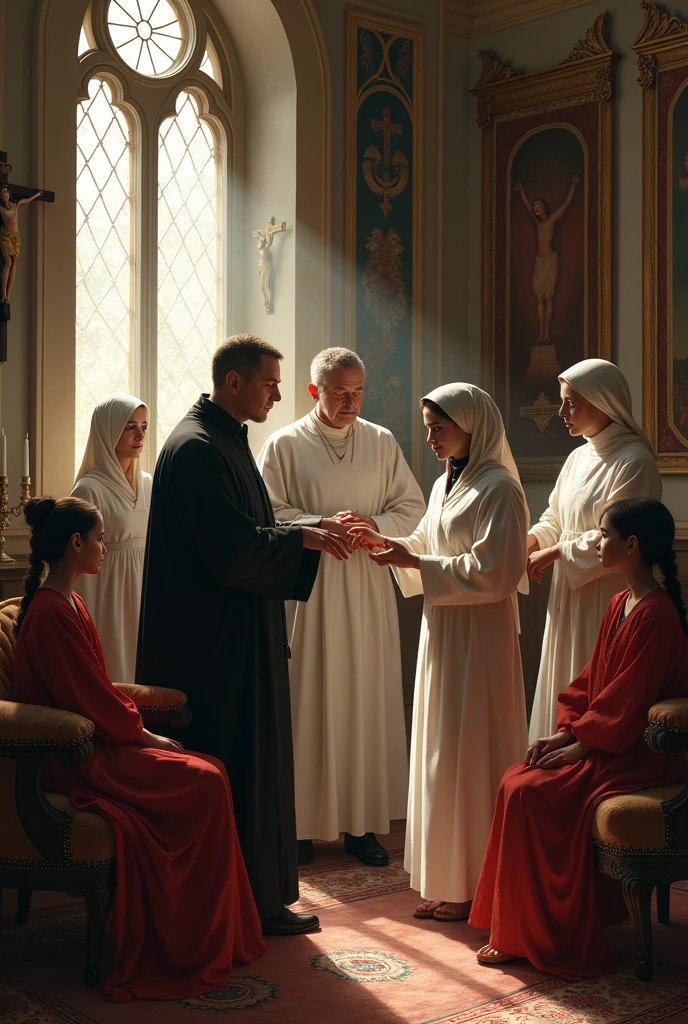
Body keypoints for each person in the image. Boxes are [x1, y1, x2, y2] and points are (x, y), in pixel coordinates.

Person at [136, 334, 350, 937]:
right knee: (238, 765)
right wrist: (302, 538)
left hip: (235, 634)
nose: (279, 395)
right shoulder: (199, 449)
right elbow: (232, 553)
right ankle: (235, 907)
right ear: (234, 383)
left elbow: (252, 528)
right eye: (269, 383)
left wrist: (306, 526)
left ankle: (259, 900)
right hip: (212, 650)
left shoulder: (223, 440)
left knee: (258, 764)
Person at [13, 496, 265, 1002]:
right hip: (71, 759)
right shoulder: (50, 613)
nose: (107, 548)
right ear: (75, 543)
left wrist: (136, 731)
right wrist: (144, 734)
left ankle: (210, 932)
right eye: (101, 538)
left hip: (97, 741)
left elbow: (97, 690)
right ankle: (184, 941)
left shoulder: (71, 603)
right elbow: (84, 698)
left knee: (209, 770)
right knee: (208, 779)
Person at [470, 497, 688, 979]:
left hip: (641, 751)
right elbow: (594, 684)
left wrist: (578, 746)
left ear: (631, 546)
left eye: (605, 535)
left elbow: (631, 703)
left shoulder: (657, 614)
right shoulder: (619, 604)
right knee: (515, 779)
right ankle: (516, 927)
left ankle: (543, 933)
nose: (597, 542)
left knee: (530, 792)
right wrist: (564, 731)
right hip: (607, 737)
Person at [351, 384, 529, 922]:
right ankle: (447, 877)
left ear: (470, 424)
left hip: (480, 635)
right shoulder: (445, 483)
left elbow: (498, 572)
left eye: (438, 427)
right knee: (442, 749)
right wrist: (390, 547)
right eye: (427, 426)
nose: (428, 437)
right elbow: (427, 545)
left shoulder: (500, 489)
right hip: (445, 629)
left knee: (470, 749)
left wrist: (417, 562)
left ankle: (477, 881)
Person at [257, 348, 425, 867]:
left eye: (358, 392)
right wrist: (319, 525)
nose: (351, 402)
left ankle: (362, 825)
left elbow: (411, 507)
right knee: (309, 700)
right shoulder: (283, 444)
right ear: (315, 392)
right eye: (339, 392)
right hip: (308, 591)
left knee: (365, 699)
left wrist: (373, 526)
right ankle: (302, 826)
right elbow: (266, 513)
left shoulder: (380, 441)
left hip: (365, 588)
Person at [527, 358, 661, 742]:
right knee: (563, 679)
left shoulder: (635, 461)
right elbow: (555, 514)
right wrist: (534, 540)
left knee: (594, 677)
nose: (561, 411)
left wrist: (555, 554)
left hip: (608, 593)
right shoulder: (577, 457)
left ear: (602, 403)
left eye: (571, 402)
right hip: (568, 593)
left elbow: (622, 535)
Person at [72, 394, 150, 683]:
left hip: (144, 590)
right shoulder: (89, 490)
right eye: (130, 427)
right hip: (108, 595)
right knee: (115, 668)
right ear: (108, 430)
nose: (140, 435)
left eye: (144, 426)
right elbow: (78, 563)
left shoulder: (149, 484)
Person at [515, 176, 579, 343]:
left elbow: (565, 205)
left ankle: (546, 333)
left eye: (538, 208)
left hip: (549, 260)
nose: (536, 211)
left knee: (548, 297)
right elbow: (526, 205)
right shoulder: (538, 224)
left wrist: (572, 185)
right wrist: (522, 191)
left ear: (543, 208)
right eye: (535, 209)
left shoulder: (551, 220)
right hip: (539, 261)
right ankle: (541, 332)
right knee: (539, 299)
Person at [0, 184, 43, 304]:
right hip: (6, 237)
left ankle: (8, 294)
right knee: (8, 261)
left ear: (9, 194)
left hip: (15, 237)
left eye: (6, 192)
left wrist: (37, 194)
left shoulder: (15, 205)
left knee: (14, 261)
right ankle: (3, 294)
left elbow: (27, 200)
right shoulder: (1, 208)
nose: (5, 194)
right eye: (3, 192)